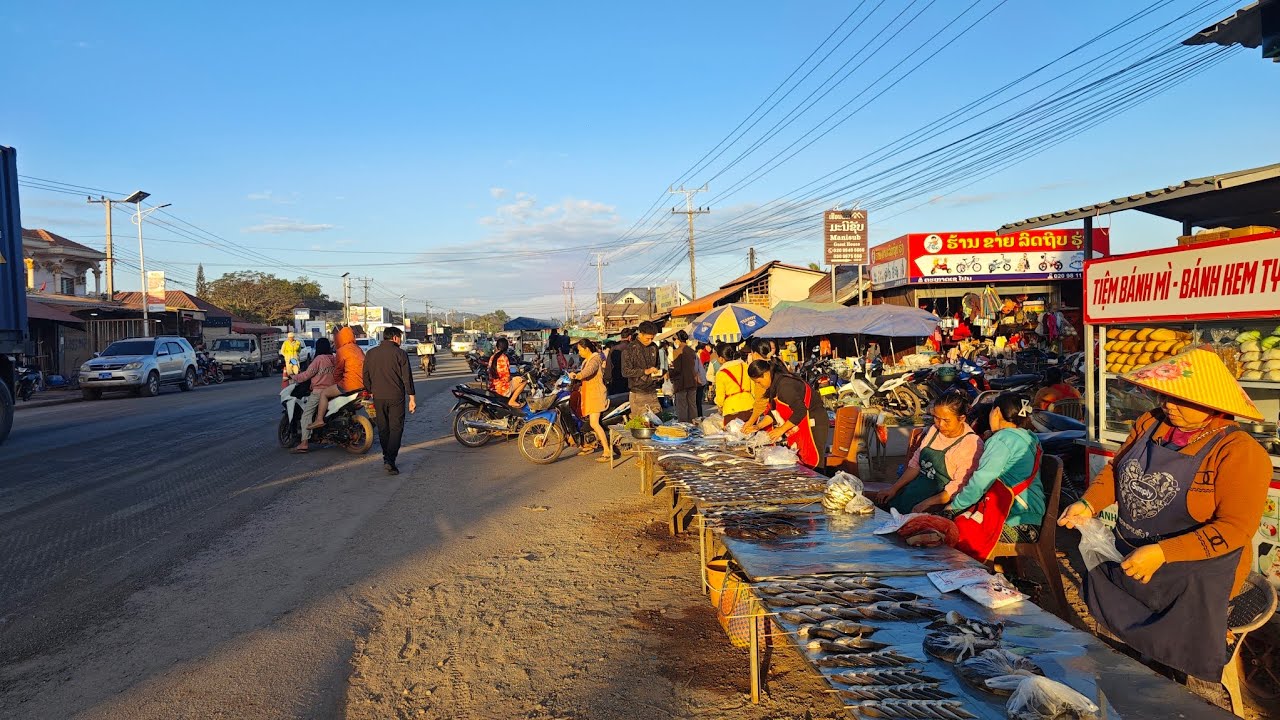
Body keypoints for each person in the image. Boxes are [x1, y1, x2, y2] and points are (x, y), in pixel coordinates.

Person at [1058, 349, 1270, 683]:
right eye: (1164, 395)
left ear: (1213, 404)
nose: (1168, 404)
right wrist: (1089, 503)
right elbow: (1117, 471)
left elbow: (1235, 529)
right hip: (1131, 558)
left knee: (1166, 673)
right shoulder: (1150, 423)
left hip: (1190, 578)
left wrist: (1162, 552)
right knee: (1120, 659)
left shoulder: (1240, 452)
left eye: (1180, 399)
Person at [946, 393, 1045, 544]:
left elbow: (980, 482)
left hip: (1014, 523)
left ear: (996, 412)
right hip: (1031, 521)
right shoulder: (1029, 438)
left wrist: (954, 506)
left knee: (945, 531)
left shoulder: (1002, 439)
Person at [871, 391, 984, 514]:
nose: (940, 425)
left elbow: (957, 487)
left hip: (936, 504)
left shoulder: (971, 444)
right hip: (912, 492)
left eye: (946, 420)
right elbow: (915, 465)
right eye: (936, 418)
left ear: (962, 419)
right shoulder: (934, 430)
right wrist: (894, 489)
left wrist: (926, 504)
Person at [743, 360, 828, 469]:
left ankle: (819, 479)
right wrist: (758, 426)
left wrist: (781, 429)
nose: (758, 385)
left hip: (814, 422)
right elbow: (774, 413)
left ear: (766, 374)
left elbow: (800, 410)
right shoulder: (775, 385)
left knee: (812, 461)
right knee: (800, 459)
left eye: (758, 382)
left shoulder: (785, 386)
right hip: (801, 423)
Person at [362, 326, 417, 475]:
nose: (401, 341)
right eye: (400, 338)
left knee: (383, 428)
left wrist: (370, 390)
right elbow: (407, 377)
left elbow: (365, 375)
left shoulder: (371, 353)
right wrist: (411, 397)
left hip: (378, 397)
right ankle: (390, 460)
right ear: (395, 338)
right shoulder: (400, 353)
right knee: (396, 428)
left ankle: (387, 457)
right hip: (396, 396)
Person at [287, 337, 337, 454]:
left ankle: (304, 443)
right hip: (334, 390)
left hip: (319, 391)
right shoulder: (334, 358)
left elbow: (306, 375)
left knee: (306, 415)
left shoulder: (319, 359)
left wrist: (294, 376)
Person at [569, 338, 615, 462]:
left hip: (596, 395)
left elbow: (588, 371)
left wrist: (577, 375)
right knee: (588, 422)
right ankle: (590, 444)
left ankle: (607, 451)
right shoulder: (588, 360)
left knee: (594, 423)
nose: (579, 353)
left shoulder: (595, 359)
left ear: (587, 349)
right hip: (589, 394)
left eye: (580, 350)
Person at [622, 321, 663, 416]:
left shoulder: (654, 347)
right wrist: (645, 371)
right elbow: (625, 371)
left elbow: (658, 365)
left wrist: (659, 374)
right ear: (640, 334)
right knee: (642, 423)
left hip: (653, 392)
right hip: (638, 393)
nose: (650, 341)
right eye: (647, 338)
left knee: (658, 420)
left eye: (652, 338)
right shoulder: (630, 349)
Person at [714, 343, 755, 422]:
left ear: (721, 358)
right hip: (749, 405)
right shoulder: (745, 366)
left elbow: (720, 397)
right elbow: (753, 388)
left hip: (731, 409)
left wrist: (719, 405)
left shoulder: (721, 373)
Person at [668, 330, 699, 422]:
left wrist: (669, 373)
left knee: (682, 406)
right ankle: (694, 423)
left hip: (681, 382)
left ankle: (684, 425)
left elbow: (677, 369)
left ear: (678, 339)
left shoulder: (677, 351)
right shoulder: (691, 351)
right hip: (692, 381)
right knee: (692, 405)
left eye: (674, 339)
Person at [488, 336, 526, 408]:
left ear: (496, 347)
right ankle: (512, 401)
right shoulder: (504, 358)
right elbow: (507, 378)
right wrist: (515, 378)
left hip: (492, 387)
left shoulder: (492, 357)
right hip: (502, 389)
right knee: (523, 381)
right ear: (506, 348)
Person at [334, 326, 365, 394]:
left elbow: (338, 372)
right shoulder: (358, 348)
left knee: (324, 394)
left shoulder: (341, 351)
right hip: (362, 384)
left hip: (349, 385)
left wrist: (336, 383)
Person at [607, 329, 632, 396]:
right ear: (630, 337)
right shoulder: (633, 348)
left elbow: (609, 366)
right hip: (630, 380)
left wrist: (607, 379)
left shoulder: (613, 348)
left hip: (616, 378)